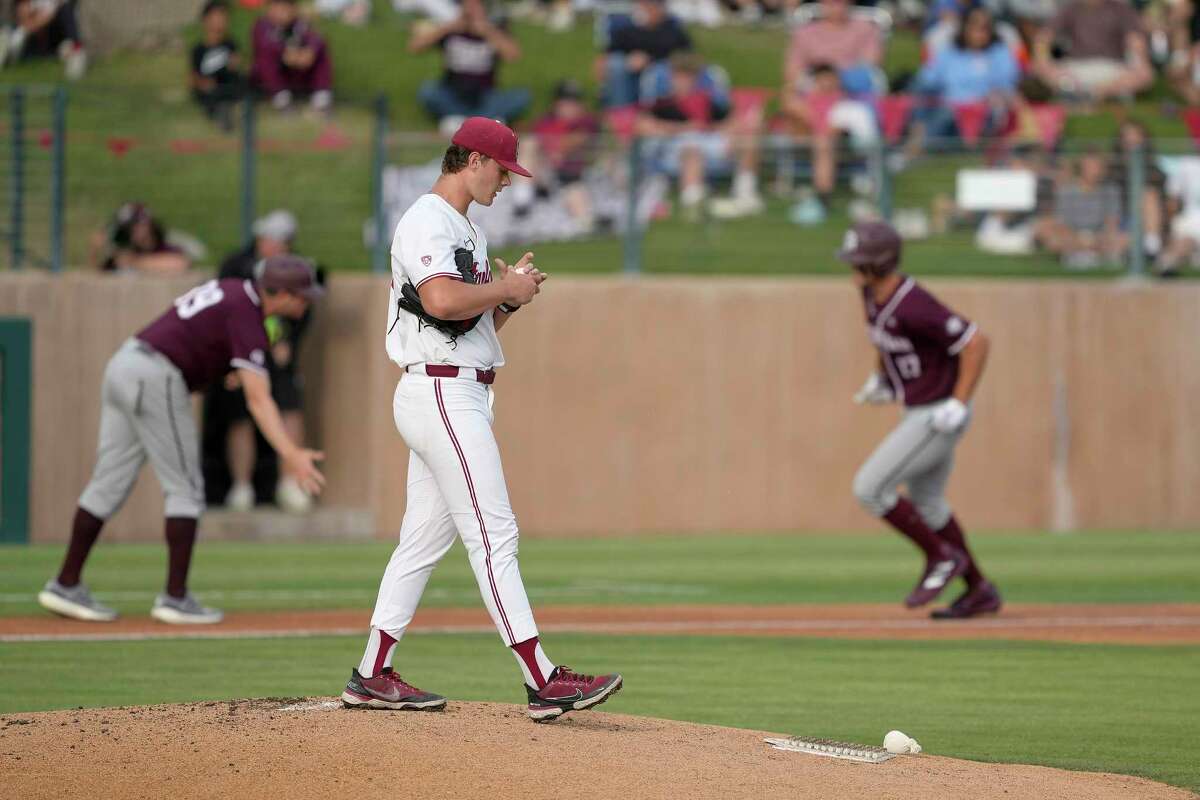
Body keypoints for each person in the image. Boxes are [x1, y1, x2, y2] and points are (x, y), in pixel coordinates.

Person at [342, 117, 622, 721]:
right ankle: (542, 678)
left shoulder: (463, 226)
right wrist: (503, 288)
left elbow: (465, 327)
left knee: (420, 542)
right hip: (441, 394)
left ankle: (371, 672)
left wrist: (511, 297)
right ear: (471, 160)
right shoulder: (428, 219)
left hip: (454, 386)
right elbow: (442, 299)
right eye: (501, 169)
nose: (506, 182)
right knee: (496, 535)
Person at [36, 256, 326, 625]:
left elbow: (202, 337)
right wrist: (291, 453)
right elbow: (259, 398)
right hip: (157, 375)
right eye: (302, 295)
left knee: (107, 484)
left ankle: (65, 583)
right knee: (186, 487)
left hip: (126, 363)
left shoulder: (234, 293)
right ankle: (175, 597)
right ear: (281, 292)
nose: (306, 302)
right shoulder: (248, 311)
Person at [841, 221, 1001, 619]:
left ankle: (940, 558)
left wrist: (960, 402)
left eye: (858, 261)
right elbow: (884, 338)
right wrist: (883, 379)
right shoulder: (871, 294)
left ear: (878, 263)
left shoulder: (913, 302)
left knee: (869, 487)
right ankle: (979, 589)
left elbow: (975, 342)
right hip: (918, 406)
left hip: (938, 412)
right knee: (928, 504)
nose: (851, 269)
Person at [204, 210, 318, 513]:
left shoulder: (296, 270)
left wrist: (286, 343)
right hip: (243, 352)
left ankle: (290, 483)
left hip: (279, 358)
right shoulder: (237, 266)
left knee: (288, 409)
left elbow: (302, 311)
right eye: (271, 239)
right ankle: (241, 487)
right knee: (242, 414)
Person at [637, 53, 764, 221]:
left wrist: (724, 129)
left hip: (710, 141)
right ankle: (693, 204)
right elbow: (642, 125)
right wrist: (683, 128)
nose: (684, 81)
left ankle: (745, 197)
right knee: (692, 153)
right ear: (672, 78)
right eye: (679, 77)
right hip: (676, 148)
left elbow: (729, 120)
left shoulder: (709, 102)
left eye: (689, 77)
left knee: (748, 142)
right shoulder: (662, 103)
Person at [907, 9, 1021, 153]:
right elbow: (927, 79)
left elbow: (1008, 85)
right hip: (947, 107)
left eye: (985, 27)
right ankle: (919, 136)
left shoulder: (1000, 53)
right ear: (965, 27)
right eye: (975, 26)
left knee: (948, 113)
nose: (980, 32)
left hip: (983, 112)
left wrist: (993, 97)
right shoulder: (950, 52)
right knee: (920, 90)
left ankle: (918, 147)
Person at [410, 0, 530, 132]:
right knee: (428, 91)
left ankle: (466, 122)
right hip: (453, 92)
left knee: (521, 96)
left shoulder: (493, 29)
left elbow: (513, 55)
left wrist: (487, 31)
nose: (470, 11)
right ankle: (481, 121)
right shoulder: (451, 29)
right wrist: (448, 28)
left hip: (485, 94)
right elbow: (415, 47)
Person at [1033, 0, 1152, 101]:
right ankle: (1096, 94)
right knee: (1038, 69)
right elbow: (1043, 38)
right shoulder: (1070, 8)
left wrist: (1140, 62)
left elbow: (1135, 40)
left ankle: (1095, 93)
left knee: (1145, 75)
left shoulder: (1121, 9)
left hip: (1112, 69)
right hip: (1075, 69)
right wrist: (1043, 61)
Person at [1033, 151, 1128, 268]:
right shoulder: (1066, 191)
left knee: (1126, 239)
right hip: (1073, 234)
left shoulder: (1111, 191)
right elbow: (1062, 223)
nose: (1095, 170)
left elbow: (1112, 221)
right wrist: (1081, 240)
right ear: (1081, 168)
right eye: (1090, 166)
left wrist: (1098, 238)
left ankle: (1086, 254)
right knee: (1048, 234)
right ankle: (1087, 254)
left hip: (1099, 236)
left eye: (1098, 166)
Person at [600, 0, 692, 107]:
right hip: (629, 71)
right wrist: (629, 60)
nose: (643, 9)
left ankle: (654, 112)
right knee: (616, 64)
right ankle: (621, 113)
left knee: (659, 70)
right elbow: (609, 53)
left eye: (648, 5)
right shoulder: (626, 30)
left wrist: (649, 60)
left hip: (660, 70)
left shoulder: (673, 30)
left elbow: (685, 57)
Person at [251, 0, 334, 113]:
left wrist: (310, 52)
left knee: (320, 53)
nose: (282, 13)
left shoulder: (299, 24)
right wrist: (284, 53)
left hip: (296, 73)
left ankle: (321, 100)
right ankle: (282, 101)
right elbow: (264, 44)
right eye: (278, 8)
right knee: (265, 59)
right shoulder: (262, 25)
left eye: (286, 8)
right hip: (269, 80)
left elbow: (318, 39)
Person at [92, 203, 192, 275]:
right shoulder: (123, 252)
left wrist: (136, 262)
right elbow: (97, 272)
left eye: (138, 225)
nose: (135, 230)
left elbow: (181, 264)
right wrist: (95, 251)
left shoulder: (164, 247)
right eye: (129, 227)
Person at [191, 0, 245, 131]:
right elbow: (194, 76)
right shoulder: (199, 49)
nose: (219, 21)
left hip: (227, 85)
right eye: (215, 17)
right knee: (212, 94)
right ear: (205, 20)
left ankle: (229, 110)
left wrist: (236, 64)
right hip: (210, 89)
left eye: (223, 17)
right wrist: (202, 83)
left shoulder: (230, 45)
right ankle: (220, 113)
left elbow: (236, 68)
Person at [0, 0, 86, 79]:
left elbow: (54, 11)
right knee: (11, 36)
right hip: (30, 38)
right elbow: (23, 12)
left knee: (65, 11)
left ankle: (76, 52)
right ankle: (10, 49)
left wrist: (30, 26)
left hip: (52, 37)